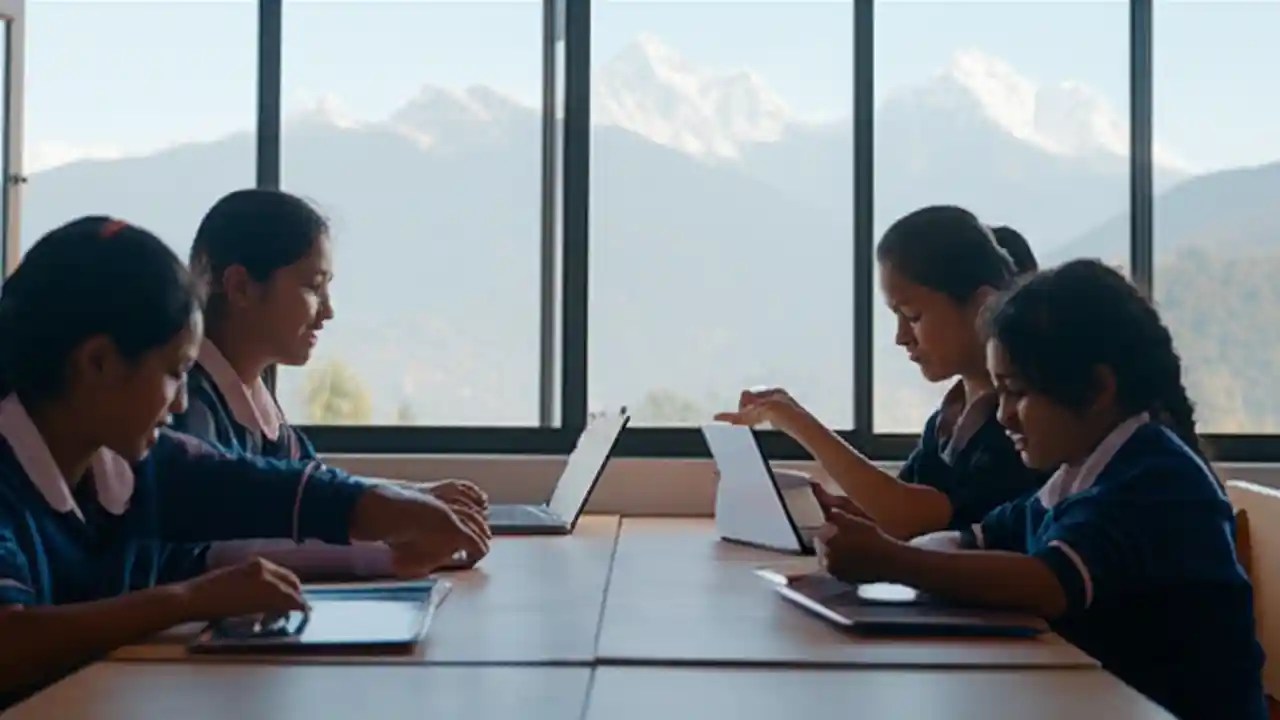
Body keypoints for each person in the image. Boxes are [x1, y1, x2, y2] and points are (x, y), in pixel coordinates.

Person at [0, 217, 490, 701]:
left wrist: (384, 504)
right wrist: (188, 600)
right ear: (98, 363)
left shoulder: (141, 465)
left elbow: (256, 485)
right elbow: (11, 642)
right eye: (173, 372)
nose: (181, 401)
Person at [817, 259, 1266, 720]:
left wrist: (893, 561)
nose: (1003, 416)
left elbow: (1048, 584)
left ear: (1098, 389)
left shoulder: (1158, 480)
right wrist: (889, 550)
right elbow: (980, 537)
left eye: (1018, 392)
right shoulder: (1077, 474)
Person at [172, 189, 488, 578]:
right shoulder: (187, 404)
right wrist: (390, 556)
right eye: (313, 286)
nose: (327, 311)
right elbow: (212, 546)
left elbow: (313, 489)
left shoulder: (251, 400)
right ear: (241, 287)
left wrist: (413, 498)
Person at [716, 206, 1043, 539]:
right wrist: (841, 508)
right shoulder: (948, 421)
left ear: (982, 306)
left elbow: (912, 517)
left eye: (913, 316)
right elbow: (896, 508)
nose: (901, 337)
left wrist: (800, 424)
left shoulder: (1015, 425)